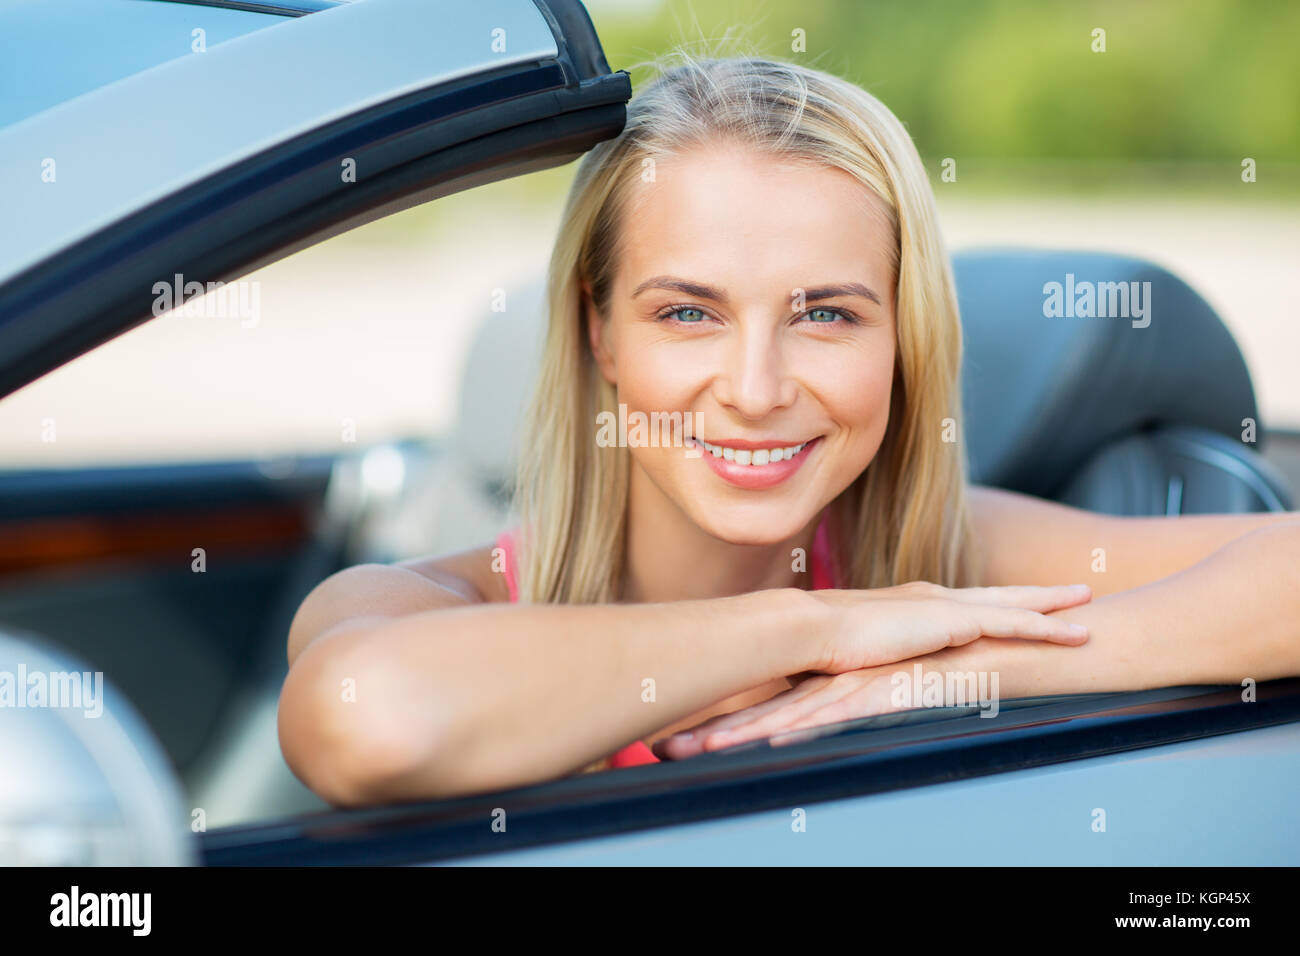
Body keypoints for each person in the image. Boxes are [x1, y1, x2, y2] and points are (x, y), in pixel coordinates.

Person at [278, 51, 1300, 807]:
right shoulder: (435, 601)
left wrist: (963, 666)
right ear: (600, 333)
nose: (757, 387)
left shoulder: (929, 551)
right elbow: (366, 712)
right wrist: (817, 630)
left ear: (901, 340)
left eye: (826, 314)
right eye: (688, 312)